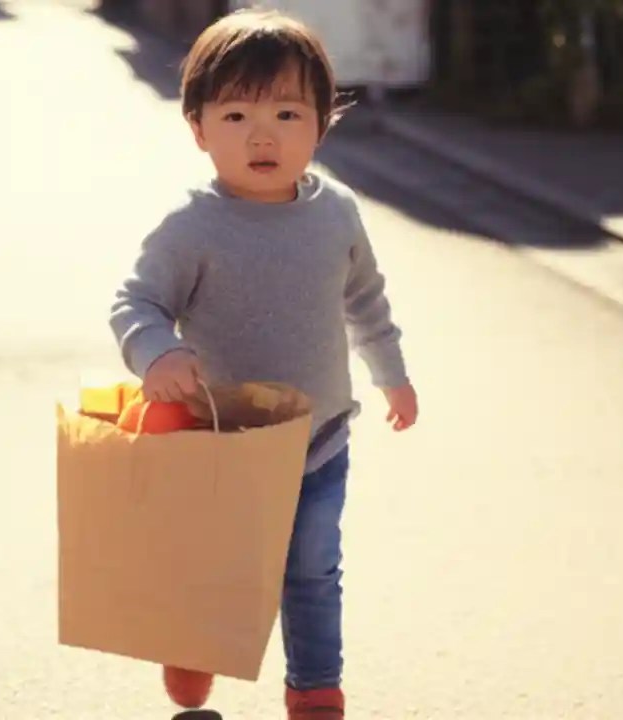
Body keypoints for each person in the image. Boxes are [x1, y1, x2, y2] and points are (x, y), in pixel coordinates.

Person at [108, 8, 418, 719]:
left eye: (286, 111)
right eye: (237, 114)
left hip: (319, 440)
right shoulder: (192, 227)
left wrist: (390, 373)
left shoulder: (335, 214)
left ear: (320, 124)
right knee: (216, 573)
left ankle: (315, 692)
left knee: (311, 572)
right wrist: (160, 352)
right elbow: (136, 303)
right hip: (218, 444)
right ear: (198, 128)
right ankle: (194, 650)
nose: (263, 134)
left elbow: (365, 300)